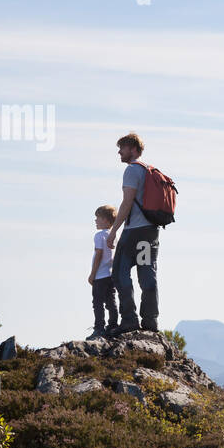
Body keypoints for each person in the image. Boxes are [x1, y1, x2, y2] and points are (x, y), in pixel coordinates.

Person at [106, 133, 160, 334]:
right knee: (147, 274)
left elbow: (127, 202)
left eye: (123, 147)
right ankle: (150, 321)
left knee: (120, 273)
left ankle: (129, 319)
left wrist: (113, 232)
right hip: (150, 232)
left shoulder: (131, 170)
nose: (119, 152)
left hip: (134, 232)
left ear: (134, 149)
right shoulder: (149, 171)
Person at [88, 205, 119, 340]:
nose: (95, 221)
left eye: (98, 218)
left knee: (98, 303)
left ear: (106, 221)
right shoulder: (113, 236)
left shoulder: (99, 235)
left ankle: (99, 328)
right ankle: (113, 325)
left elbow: (99, 254)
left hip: (100, 276)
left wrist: (92, 274)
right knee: (111, 301)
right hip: (111, 275)